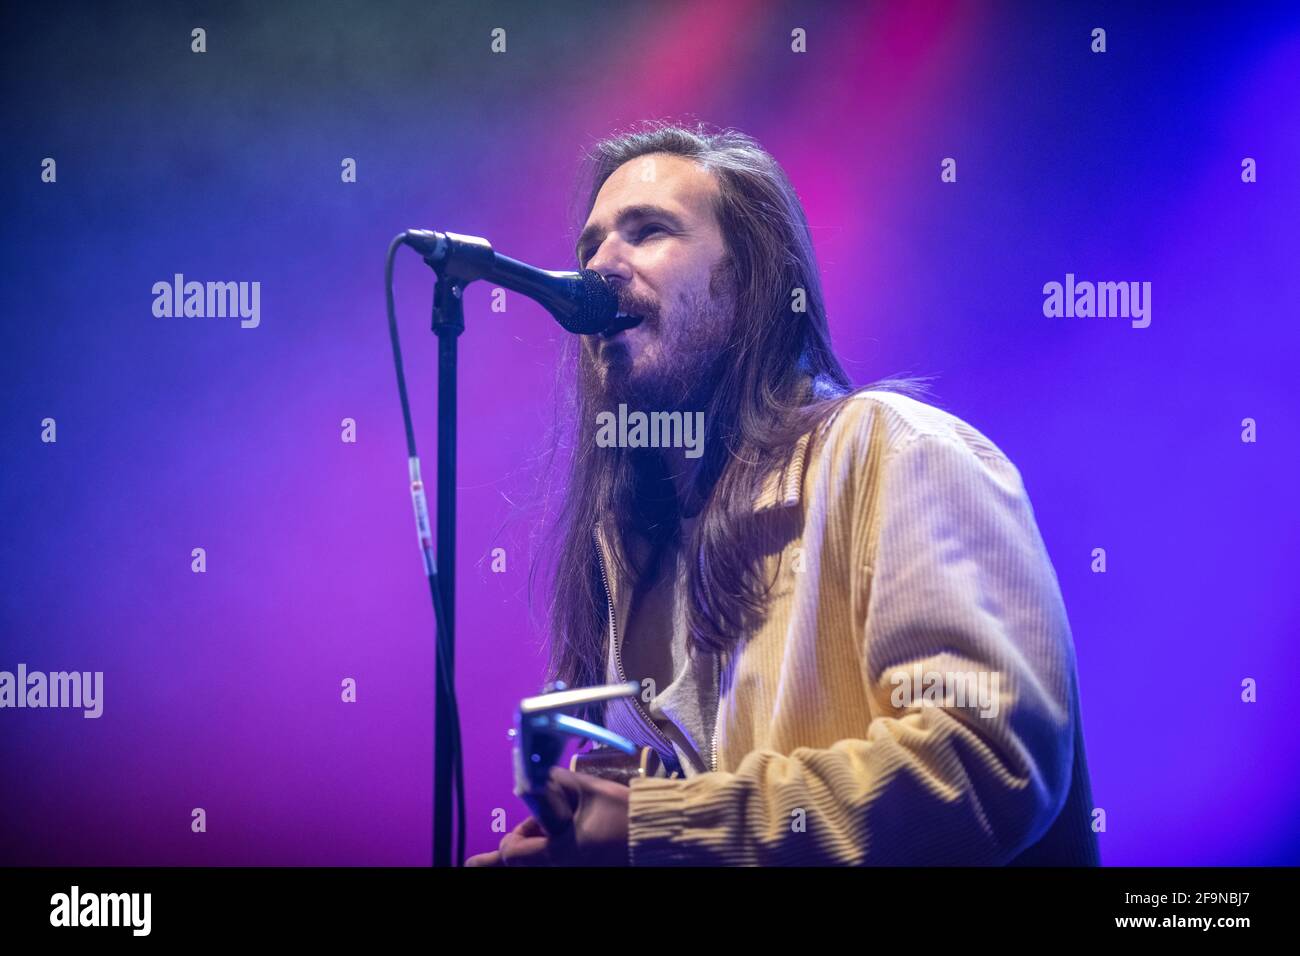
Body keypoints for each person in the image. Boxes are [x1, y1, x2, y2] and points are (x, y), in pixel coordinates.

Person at [465, 122, 1100, 867]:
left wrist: (658, 827)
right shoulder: (625, 550)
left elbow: (981, 765)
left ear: (750, 282)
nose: (601, 263)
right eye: (590, 245)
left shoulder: (899, 452)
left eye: (648, 231)